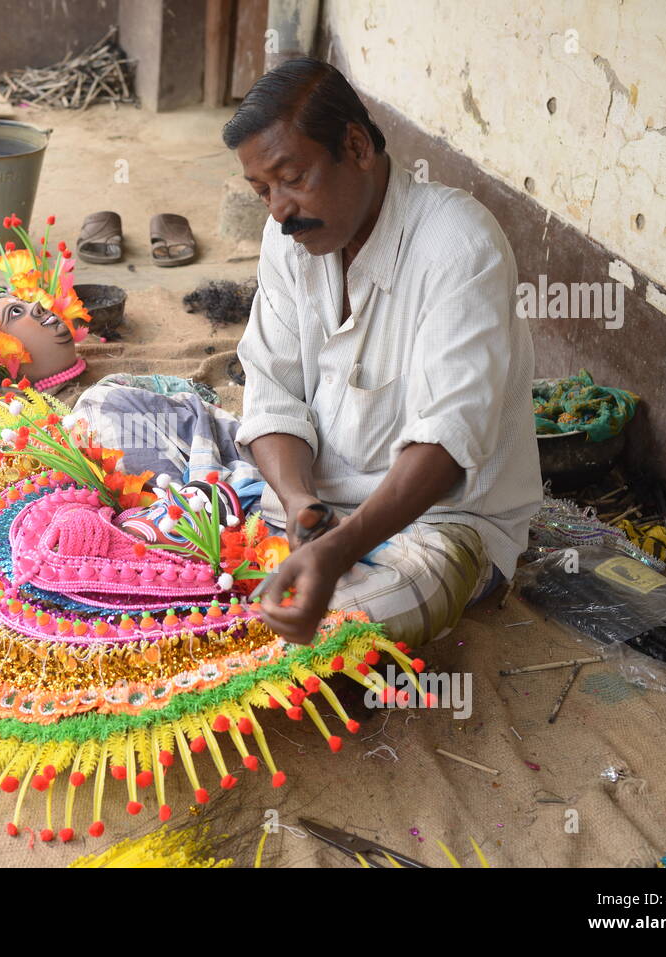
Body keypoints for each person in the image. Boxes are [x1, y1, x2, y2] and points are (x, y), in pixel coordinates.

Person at [73, 57, 540, 648]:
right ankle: (276, 556)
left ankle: (282, 590)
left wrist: (339, 549)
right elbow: (271, 388)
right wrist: (299, 503)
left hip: (431, 527)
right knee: (106, 405)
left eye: (292, 178)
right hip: (303, 505)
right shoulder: (288, 235)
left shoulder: (459, 245)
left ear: (356, 146)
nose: (279, 210)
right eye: (262, 190)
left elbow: (447, 444)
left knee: (339, 625)